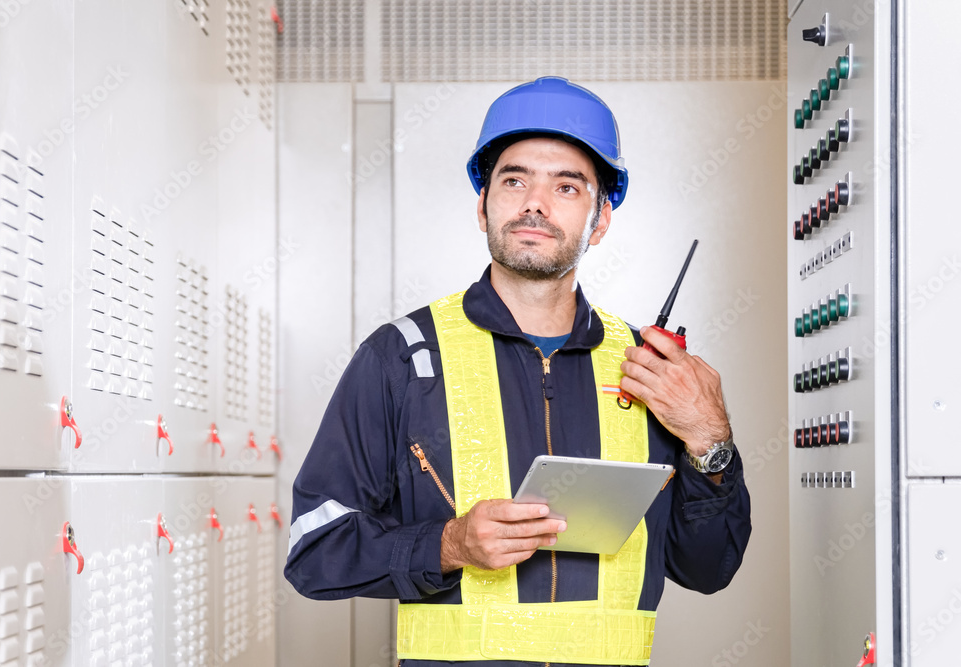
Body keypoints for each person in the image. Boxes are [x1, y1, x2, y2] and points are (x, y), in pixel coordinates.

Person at [284, 76, 752, 666]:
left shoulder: (650, 369)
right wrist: (448, 544)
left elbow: (708, 568)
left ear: (601, 220)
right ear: (482, 206)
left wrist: (711, 438)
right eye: (514, 180)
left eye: (566, 186)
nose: (536, 202)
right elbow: (313, 549)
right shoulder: (402, 356)